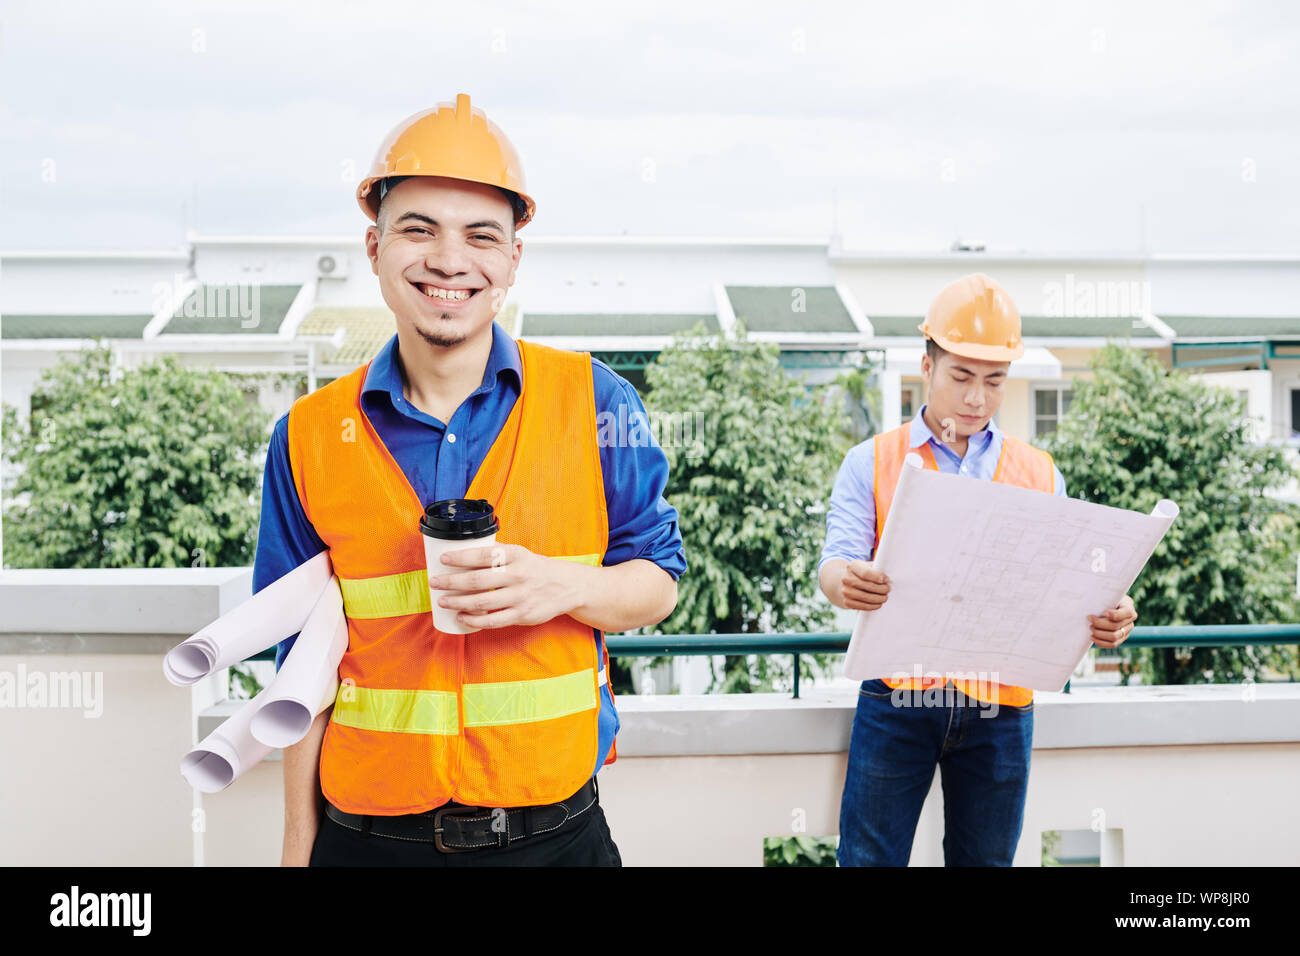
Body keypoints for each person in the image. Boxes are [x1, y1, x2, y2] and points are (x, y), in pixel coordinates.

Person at [254, 94, 686, 866]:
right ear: (374, 246)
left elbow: (660, 584)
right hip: (368, 844)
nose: (450, 260)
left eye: (481, 235)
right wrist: (296, 843)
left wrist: (559, 586)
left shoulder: (597, 403)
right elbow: (298, 661)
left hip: (557, 841)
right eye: (418, 229)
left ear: (512, 260)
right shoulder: (309, 437)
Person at [818, 273, 1138, 867]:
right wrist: (847, 581)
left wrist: (1111, 612)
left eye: (994, 381)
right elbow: (833, 564)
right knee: (866, 860)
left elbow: (1073, 584)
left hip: (1002, 708)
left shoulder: (1040, 472)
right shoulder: (871, 462)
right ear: (927, 367)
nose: (976, 398)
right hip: (897, 701)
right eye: (961, 377)